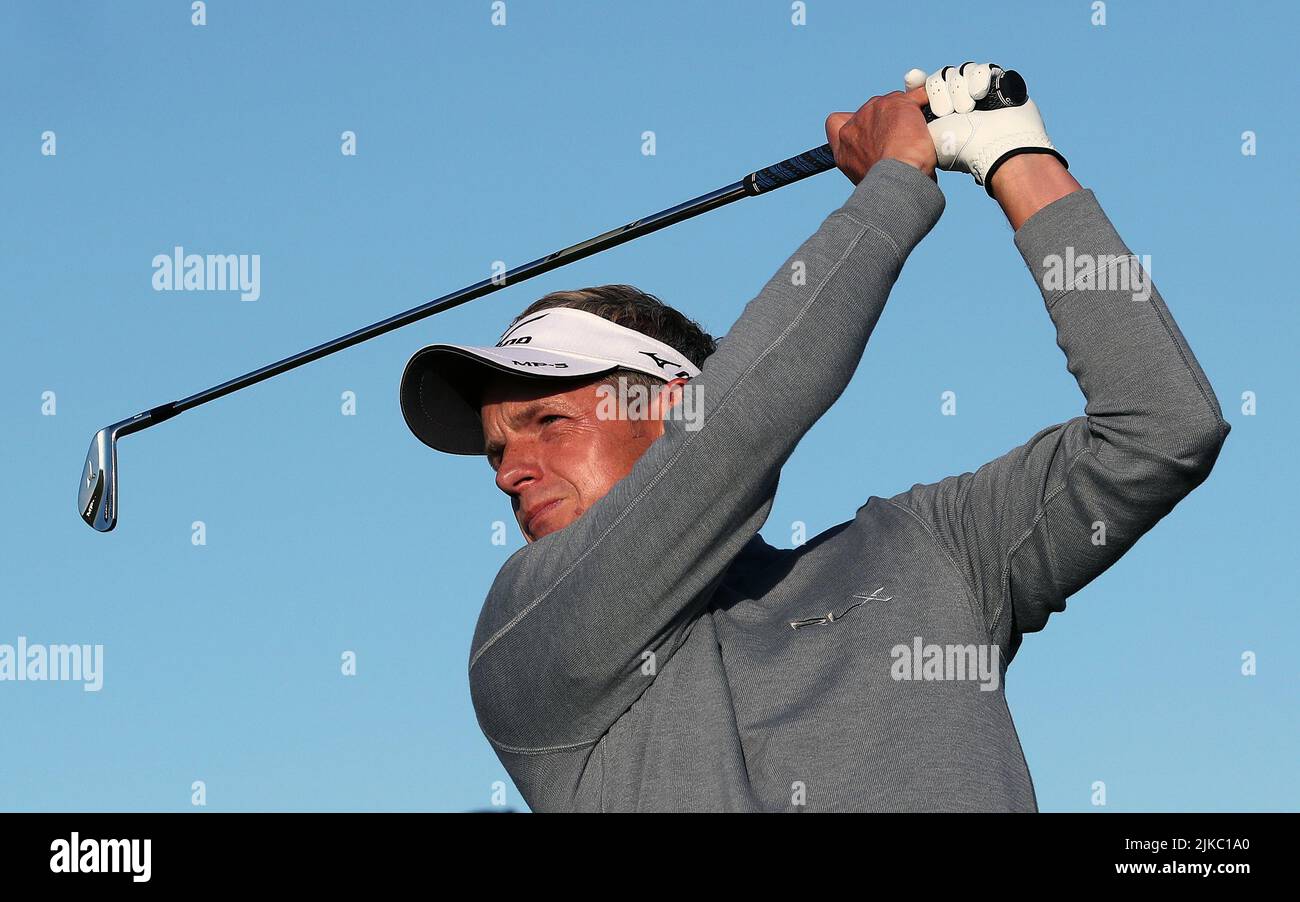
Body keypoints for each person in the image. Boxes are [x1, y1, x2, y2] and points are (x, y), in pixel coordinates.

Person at [398, 63, 1231, 811]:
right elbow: (733, 437)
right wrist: (892, 189)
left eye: (548, 421)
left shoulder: (929, 552)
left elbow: (1163, 427)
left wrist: (1015, 156)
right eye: (499, 448)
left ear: (676, 402)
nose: (512, 472)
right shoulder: (523, 635)